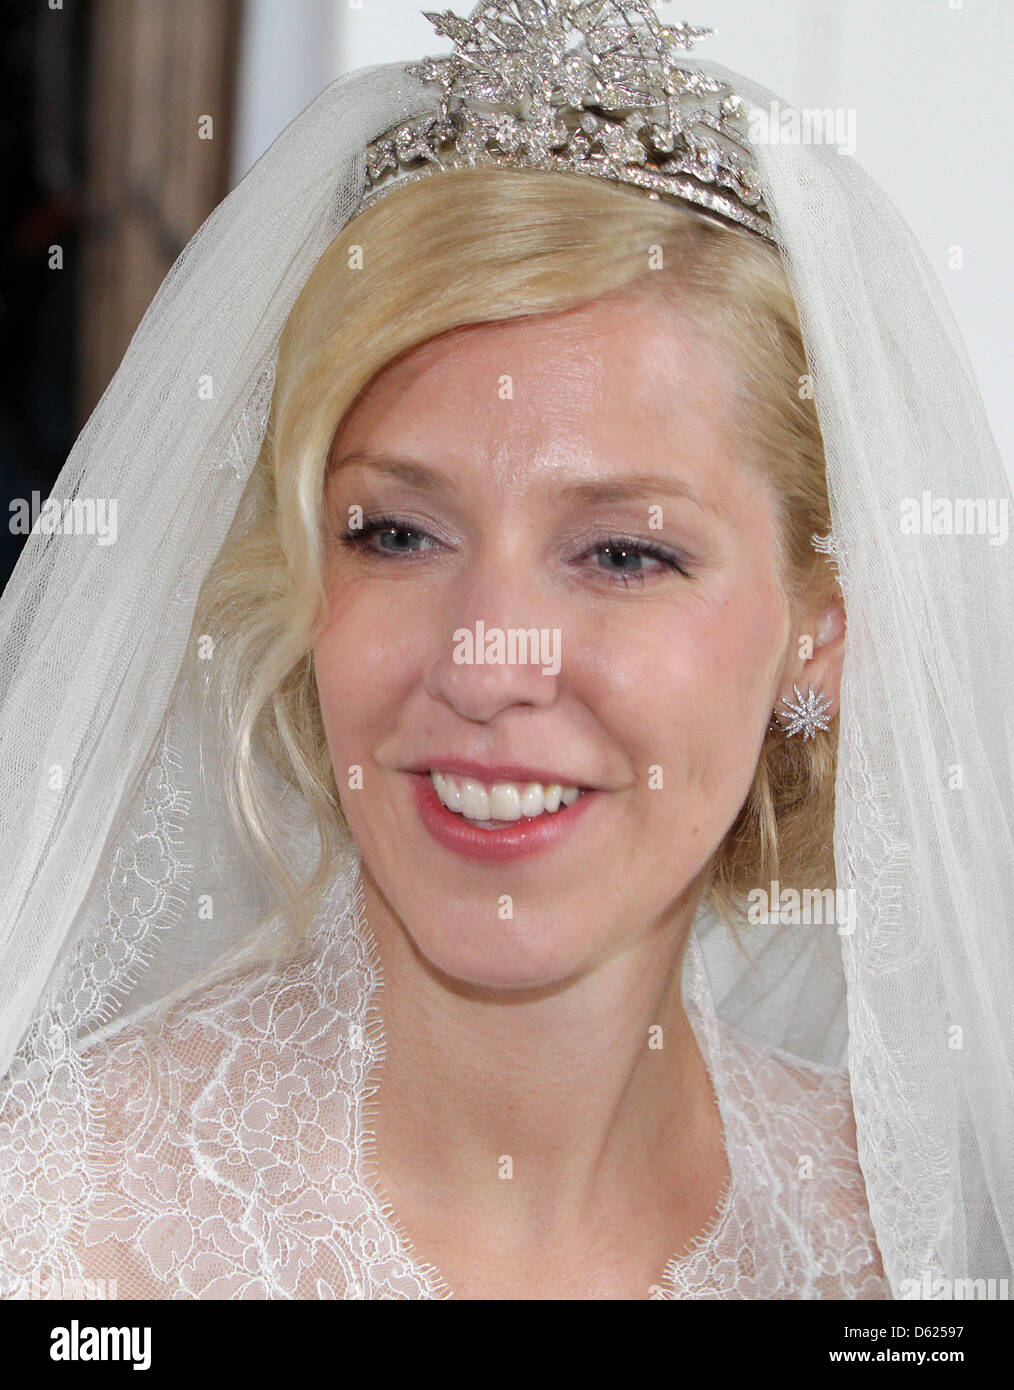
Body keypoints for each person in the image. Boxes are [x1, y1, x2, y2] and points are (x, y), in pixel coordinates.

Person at [0, 0, 1010, 1301]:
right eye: (398, 532)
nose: (484, 661)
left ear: (817, 638)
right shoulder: (66, 1232)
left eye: (623, 553)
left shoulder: (907, 1247)